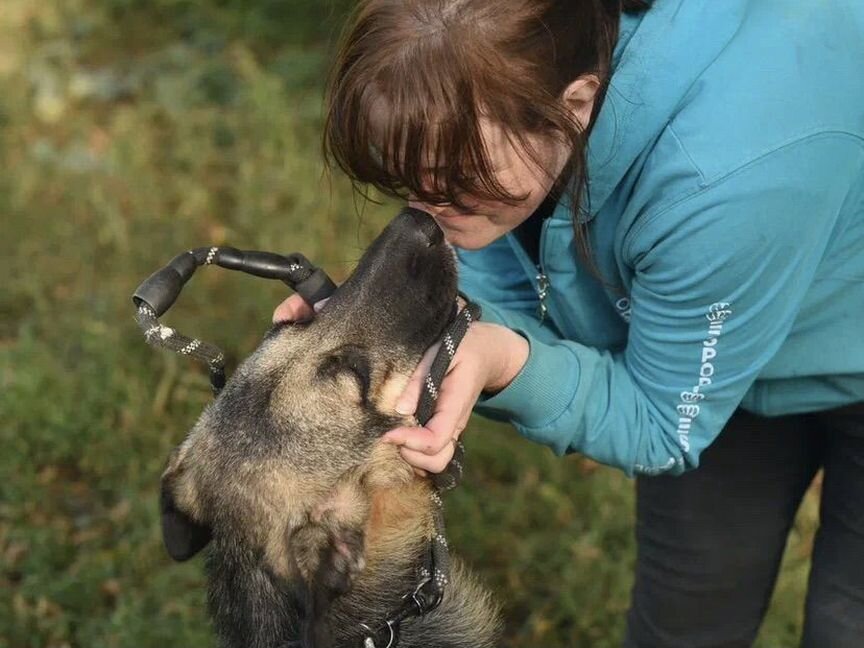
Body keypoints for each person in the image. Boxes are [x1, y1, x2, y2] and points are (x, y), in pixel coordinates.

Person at [274, 1, 864, 645]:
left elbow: (662, 422)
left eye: (456, 185)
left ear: (577, 103)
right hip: (726, 340)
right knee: (685, 625)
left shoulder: (723, 178)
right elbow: (509, 293)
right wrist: (404, 329)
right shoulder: (522, 77)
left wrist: (506, 363)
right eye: (403, 182)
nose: (429, 217)